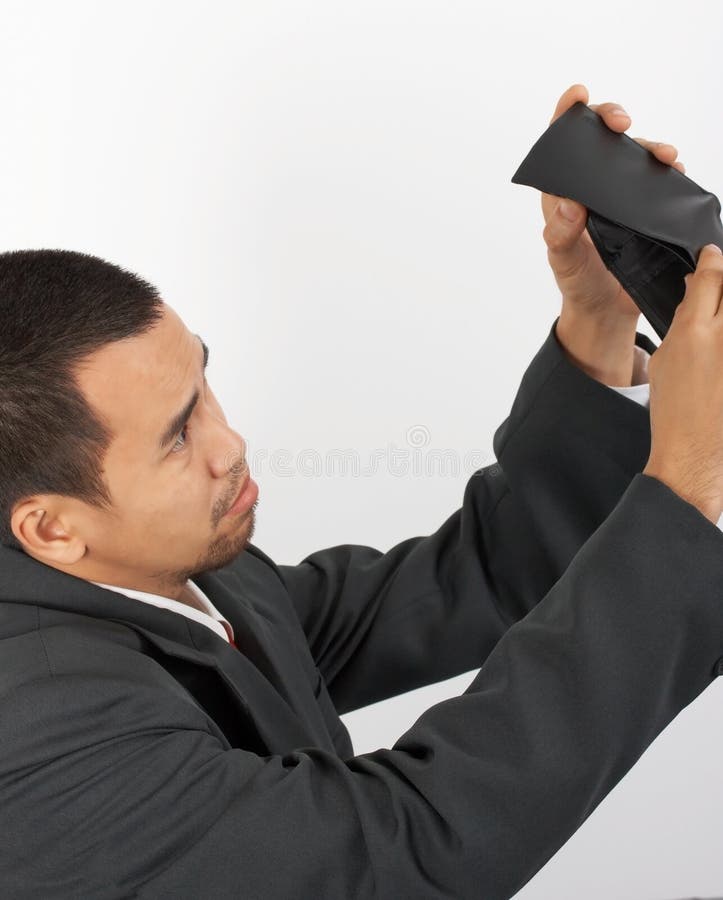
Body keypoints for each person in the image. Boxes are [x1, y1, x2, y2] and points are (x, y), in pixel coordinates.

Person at [1, 83, 721, 899]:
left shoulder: (182, 573)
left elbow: (473, 583)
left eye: (204, 385)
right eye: (177, 438)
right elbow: (403, 850)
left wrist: (597, 310)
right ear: (51, 529)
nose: (228, 444)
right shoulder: (39, 729)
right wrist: (685, 478)